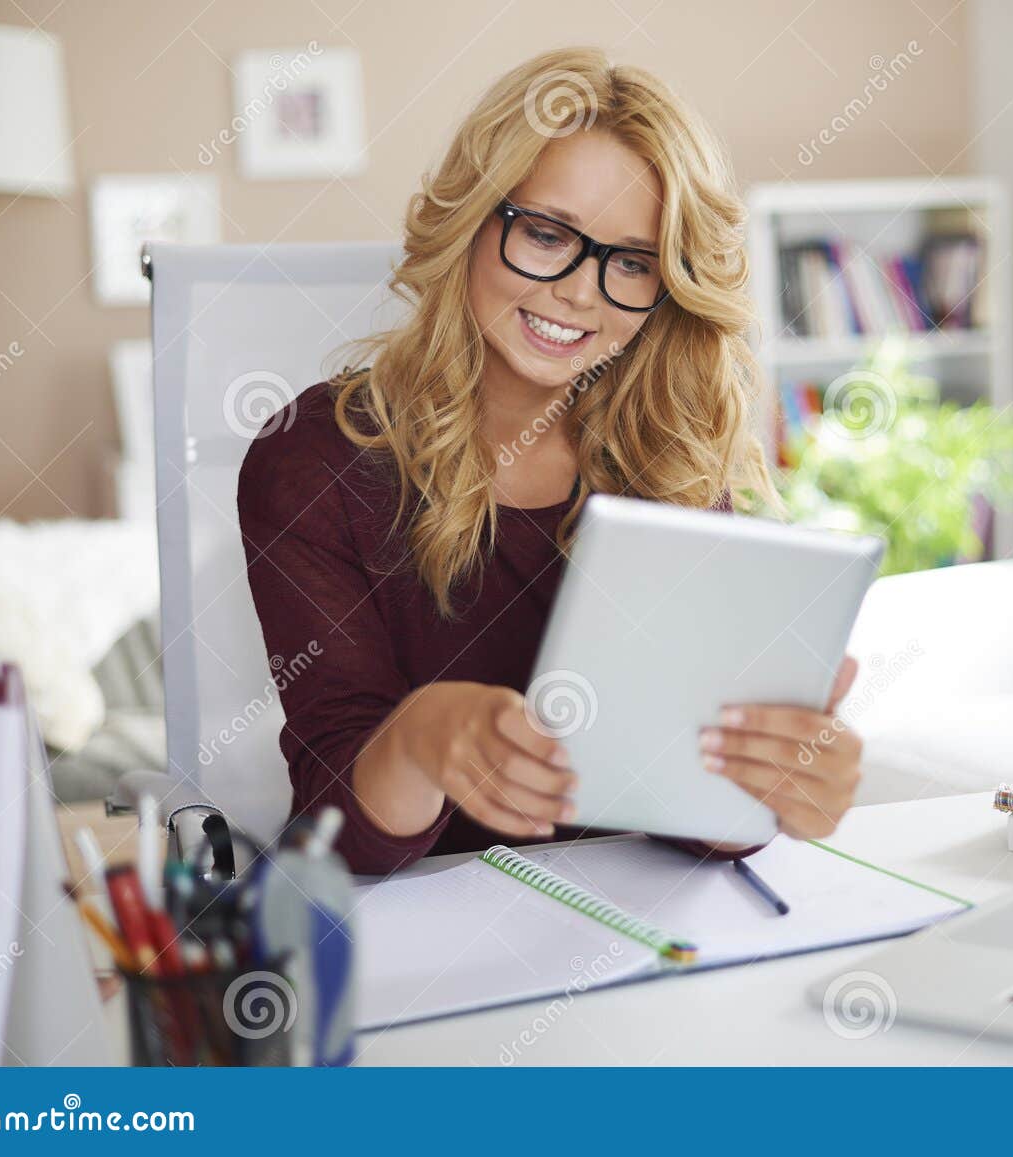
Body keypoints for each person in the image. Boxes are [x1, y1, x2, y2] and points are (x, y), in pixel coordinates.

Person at [236, 46, 863, 876]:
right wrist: (421, 739)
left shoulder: (666, 456)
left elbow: (691, 810)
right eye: (546, 233)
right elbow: (331, 833)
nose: (580, 291)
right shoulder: (313, 460)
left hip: (620, 929)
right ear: (470, 223)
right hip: (414, 941)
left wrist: (766, 783)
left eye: (632, 262)